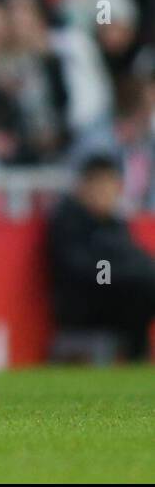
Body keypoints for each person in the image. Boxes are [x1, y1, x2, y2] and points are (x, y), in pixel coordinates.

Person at [46, 154, 155, 361]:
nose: (105, 193)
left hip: (120, 296)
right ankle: (135, 356)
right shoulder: (68, 221)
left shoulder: (116, 223)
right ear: (84, 187)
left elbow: (135, 256)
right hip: (83, 306)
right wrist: (126, 274)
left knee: (147, 285)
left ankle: (137, 356)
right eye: (99, 186)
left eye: (110, 186)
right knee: (145, 286)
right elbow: (84, 271)